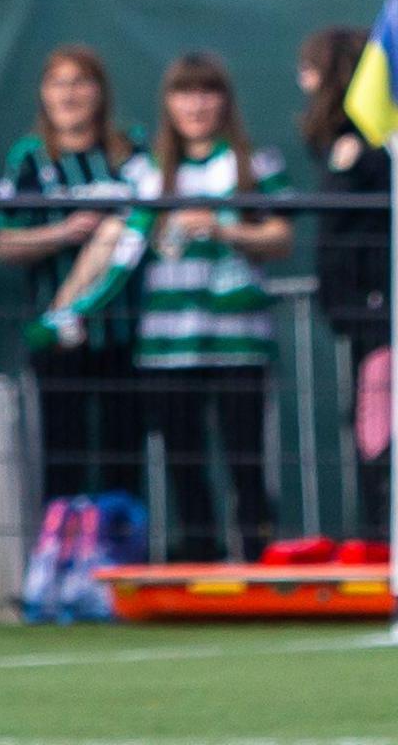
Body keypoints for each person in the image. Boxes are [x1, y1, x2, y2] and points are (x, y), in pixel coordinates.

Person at [105, 52, 292, 563]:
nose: (196, 104)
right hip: (166, 341)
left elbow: (281, 234)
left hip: (239, 338)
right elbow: (117, 244)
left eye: (207, 92)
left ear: (224, 101)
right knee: (183, 459)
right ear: (169, 102)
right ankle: (199, 557)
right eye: (185, 93)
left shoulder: (255, 163)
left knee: (245, 457)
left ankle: (258, 555)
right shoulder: (145, 173)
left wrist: (222, 228)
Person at [299, 26, 398, 543]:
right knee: (368, 407)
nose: (303, 79)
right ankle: (379, 528)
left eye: (311, 67)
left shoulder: (381, 141)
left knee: (378, 409)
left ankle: (385, 532)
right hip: (357, 304)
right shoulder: (341, 144)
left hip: (383, 301)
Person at [0, 45, 148, 505]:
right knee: (63, 454)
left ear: (100, 91)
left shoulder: (130, 151)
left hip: (124, 334)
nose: (70, 93)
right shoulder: (30, 159)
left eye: (80, 81)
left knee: (124, 455)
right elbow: (4, 243)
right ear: (43, 93)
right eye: (58, 82)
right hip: (57, 337)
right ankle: (65, 564)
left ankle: (120, 563)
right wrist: (63, 232)